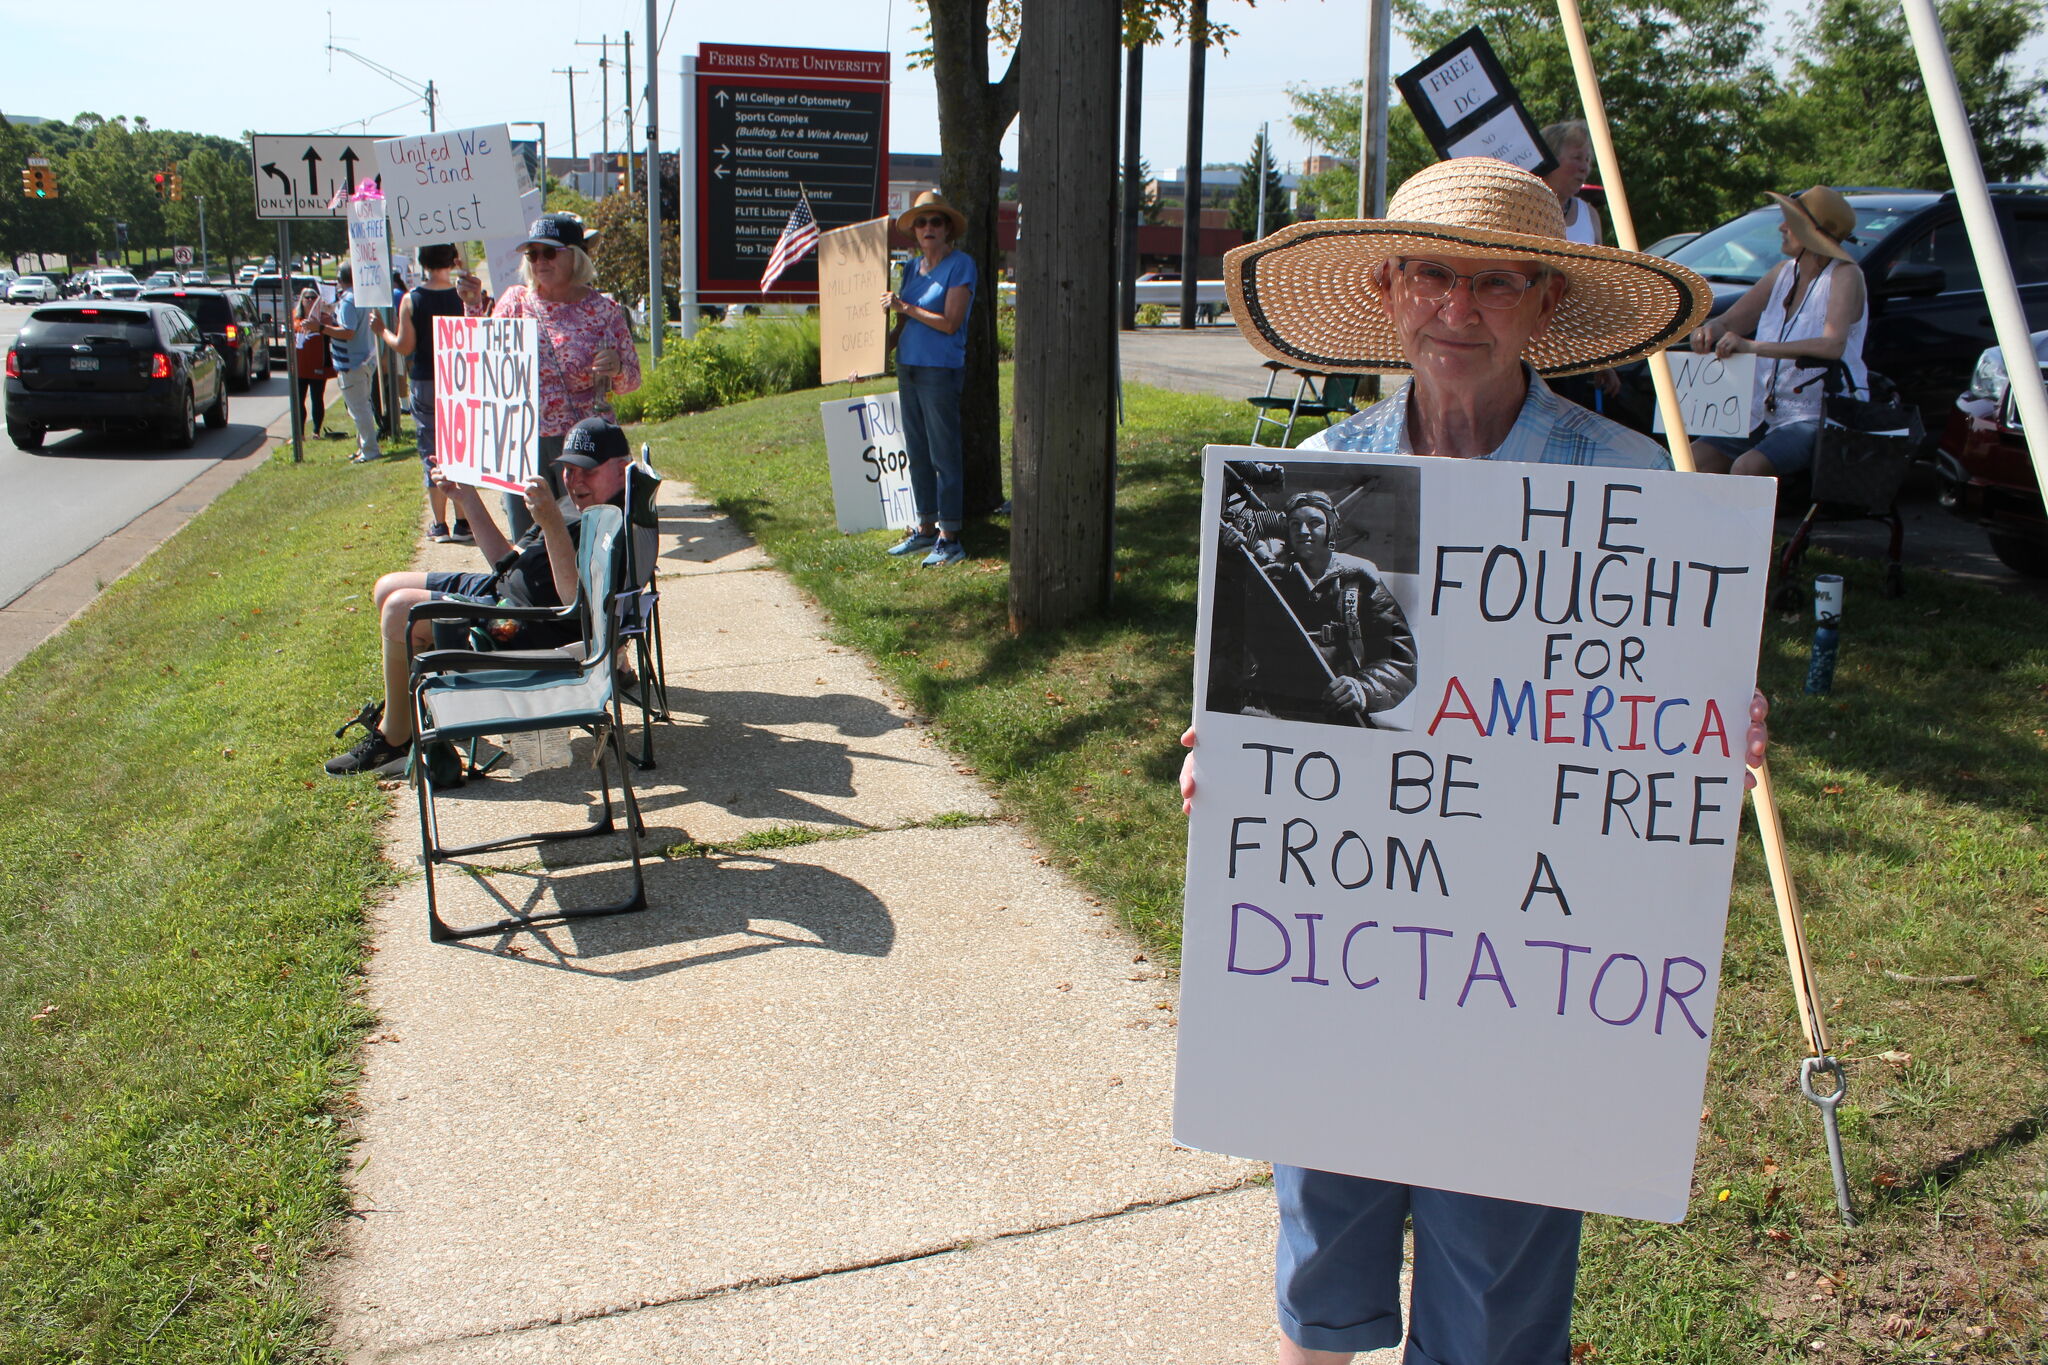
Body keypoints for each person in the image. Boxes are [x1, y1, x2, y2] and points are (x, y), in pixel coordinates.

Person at [1192, 156, 1772, 1365]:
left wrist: (1712, 730)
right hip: (1346, 942)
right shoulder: (1316, 484)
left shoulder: (1628, 488)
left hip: (1525, 961)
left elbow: (1649, 718)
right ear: (1389, 289)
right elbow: (1307, 708)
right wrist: (1237, 754)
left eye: (1493, 283)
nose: (1457, 309)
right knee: (1323, 1227)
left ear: (1543, 307)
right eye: (1430, 277)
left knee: (1496, 1257)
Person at [324, 417, 634, 776]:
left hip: (524, 627)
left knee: (399, 611)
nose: (575, 480)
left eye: (588, 471)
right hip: (499, 593)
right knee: (387, 587)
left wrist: (550, 523)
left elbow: (575, 607)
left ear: (622, 470)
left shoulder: (612, 524)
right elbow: (506, 560)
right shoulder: (569, 503)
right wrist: (466, 496)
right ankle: (426, 707)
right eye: (568, 469)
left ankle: (395, 738)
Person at [1688, 186, 1868, 479]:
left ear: (1812, 234)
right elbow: (1732, 320)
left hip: (1817, 415)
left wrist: (1753, 347)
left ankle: (1746, 526)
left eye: (1792, 223)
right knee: (1692, 459)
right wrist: (1710, 329)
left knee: (1748, 468)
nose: (1782, 227)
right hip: (1763, 409)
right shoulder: (1784, 272)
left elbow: (1832, 345)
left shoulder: (1845, 275)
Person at [479, 214, 641, 539]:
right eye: (533, 254)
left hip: (582, 444)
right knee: (528, 541)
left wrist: (617, 369)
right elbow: (483, 358)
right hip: (522, 438)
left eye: (550, 253)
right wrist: (471, 308)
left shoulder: (604, 311)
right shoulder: (515, 302)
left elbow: (631, 382)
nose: (540, 261)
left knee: (589, 536)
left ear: (576, 257)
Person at [1215, 488, 1416, 725]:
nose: (1303, 531)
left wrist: (1363, 689)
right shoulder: (1269, 580)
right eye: (1294, 524)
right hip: (1272, 710)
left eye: (1314, 523)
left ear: (1331, 527)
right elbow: (1229, 630)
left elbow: (1400, 657)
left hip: (1336, 713)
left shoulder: (1360, 582)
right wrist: (1232, 562)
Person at [880, 190, 977, 567]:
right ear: (914, 232)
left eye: (935, 221)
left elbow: (950, 323)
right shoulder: (909, 269)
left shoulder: (961, 265)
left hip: (940, 370)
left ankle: (950, 537)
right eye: (921, 222)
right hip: (908, 366)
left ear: (947, 228)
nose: (928, 228)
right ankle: (924, 529)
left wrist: (903, 306)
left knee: (943, 454)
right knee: (917, 453)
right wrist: (873, 353)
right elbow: (903, 323)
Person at [371, 244, 487, 544]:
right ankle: (464, 522)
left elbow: (404, 346)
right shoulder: (466, 296)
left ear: (422, 261)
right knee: (460, 449)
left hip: (425, 381)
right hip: (460, 379)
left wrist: (382, 331)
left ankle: (440, 524)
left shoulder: (412, 299)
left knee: (432, 451)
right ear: (453, 260)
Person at [1538, 119, 1621, 411]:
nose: (1585, 167)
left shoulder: (1589, 215)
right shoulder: (1524, 209)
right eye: (1576, 158)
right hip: (1527, 341)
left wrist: (1601, 356)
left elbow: (1595, 286)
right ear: (1549, 157)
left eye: (1588, 159)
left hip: (1573, 347)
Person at [317, 264, 381, 464]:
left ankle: (370, 450)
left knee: (359, 409)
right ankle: (364, 446)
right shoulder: (362, 297)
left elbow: (348, 332)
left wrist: (320, 327)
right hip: (365, 359)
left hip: (351, 363)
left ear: (340, 279)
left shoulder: (347, 301)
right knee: (363, 406)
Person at [290, 288, 338, 437]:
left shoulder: (324, 319)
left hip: (318, 365)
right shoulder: (295, 318)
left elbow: (333, 331)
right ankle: (300, 434)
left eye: (313, 298)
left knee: (317, 398)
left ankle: (316, 430)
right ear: (302, 301)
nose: (310, 300)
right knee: (298, 400)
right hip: (300, 366)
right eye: (307, 298)